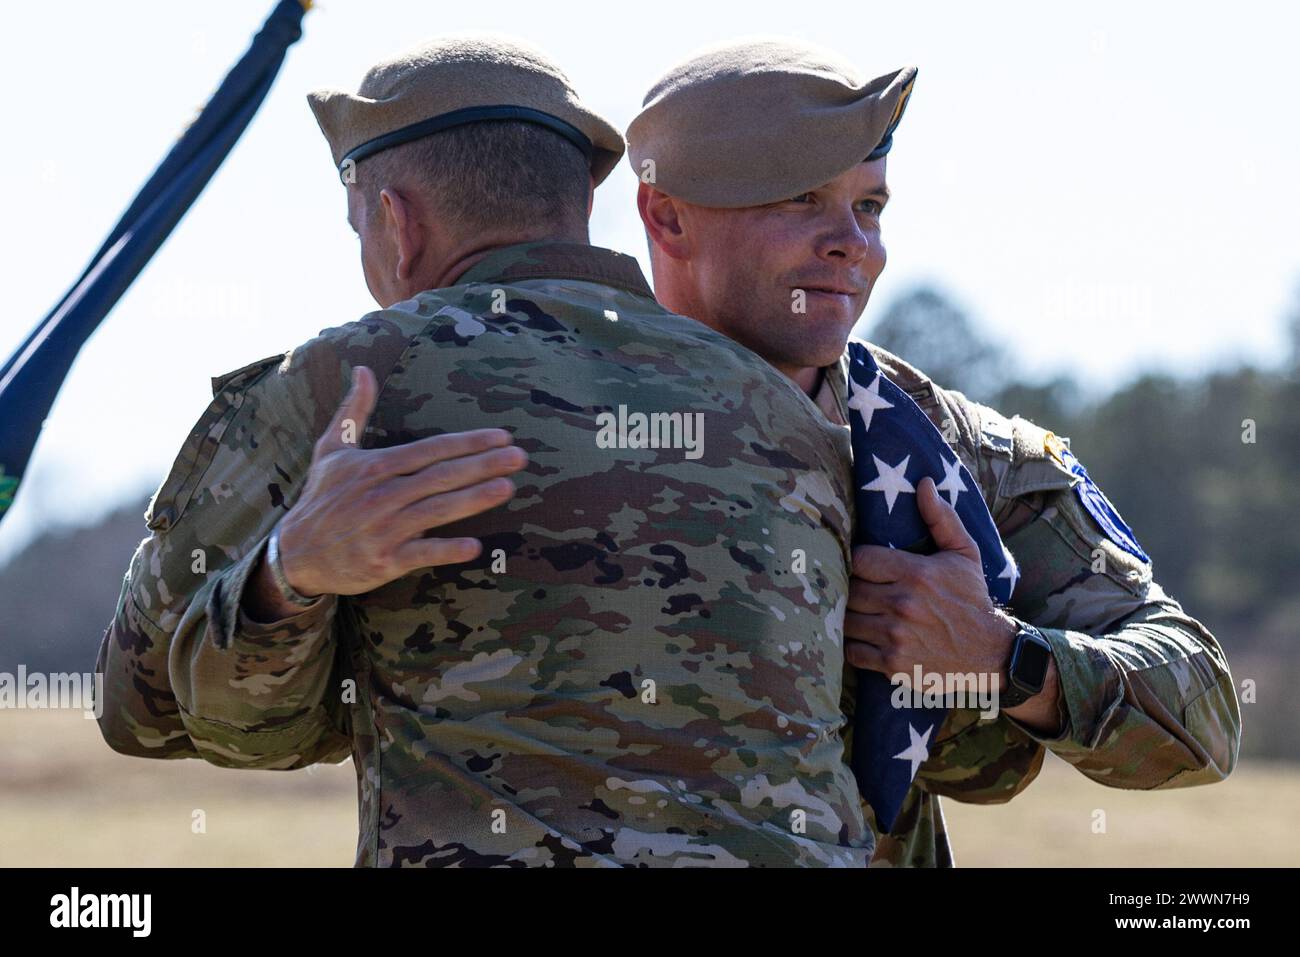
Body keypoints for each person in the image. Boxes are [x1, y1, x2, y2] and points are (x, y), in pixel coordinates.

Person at [95, 35, 877, 867]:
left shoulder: (340, 389)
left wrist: (289, 582)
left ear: (396, 223)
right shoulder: (789, 405)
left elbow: (142, 712)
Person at [625, 37, 1241, 866]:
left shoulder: (939, 450)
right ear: (667, 215)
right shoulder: (556, 418)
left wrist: (1002, 656)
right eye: (803, 198)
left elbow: (1203, 710)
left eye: (870, 206)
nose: (853, 243)